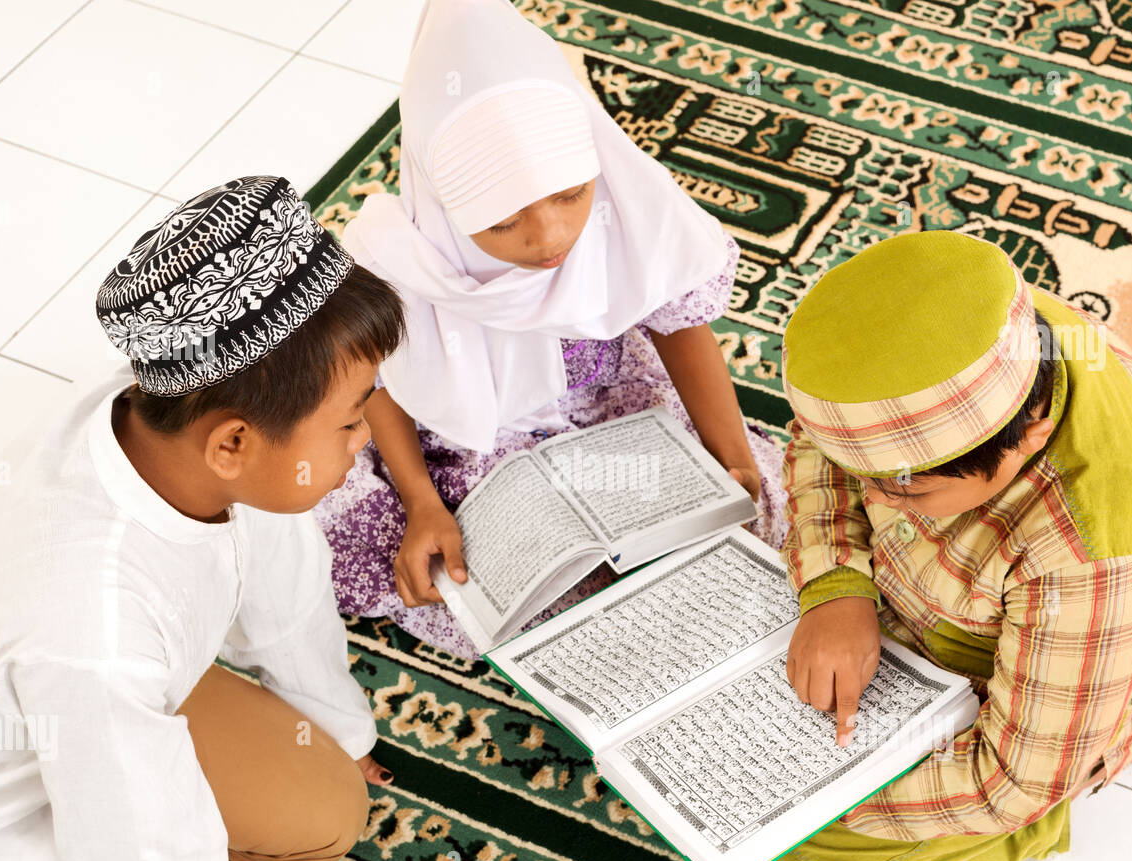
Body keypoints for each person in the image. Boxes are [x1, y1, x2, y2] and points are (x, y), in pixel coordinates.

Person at [719, 228, 1132, 861]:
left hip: (1032, 683)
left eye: (904, 488)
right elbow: (818, 450)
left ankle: (1105, 754)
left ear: (1028, 436)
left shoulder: (1093, 562)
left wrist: (810, 795)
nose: (874, 497)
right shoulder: (975, 328)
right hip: (924, 606)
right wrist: (833, 587)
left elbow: (1008, 782)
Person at [0, 175, 407, 861]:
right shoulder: (92, 625)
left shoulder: (184, 428)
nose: (364, 439)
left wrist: (341, 729)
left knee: (326, 812)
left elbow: (285, 596)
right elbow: (145, 860)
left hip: (83, 714)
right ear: (234, 444)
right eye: (350, 418)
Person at [314, 0, 789, 660]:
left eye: (571, 195)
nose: (549, 237)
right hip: (468, 448)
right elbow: (380, 387)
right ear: (442, 199)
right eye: (502, 222)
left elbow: (683, 329)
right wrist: (423, 503)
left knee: (765, 513)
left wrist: (733, 462)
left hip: (605, 406)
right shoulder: (394, 256)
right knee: (467, 578)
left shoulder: (628, 204)